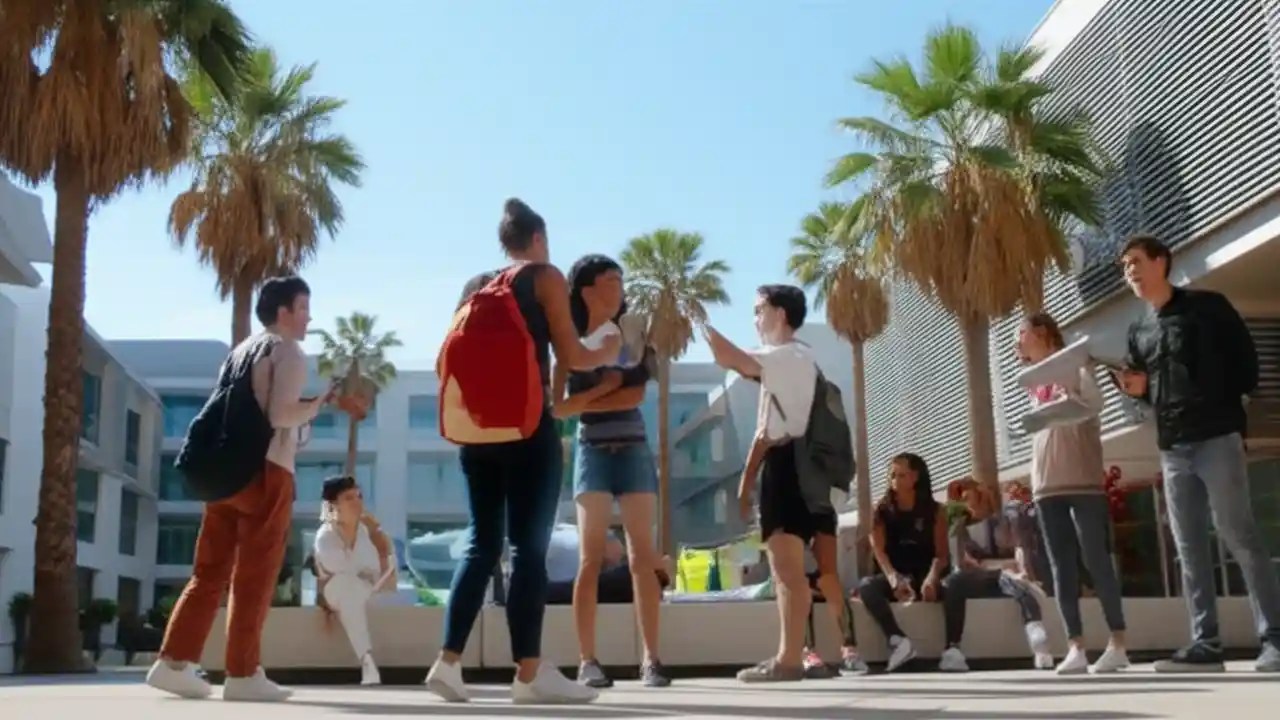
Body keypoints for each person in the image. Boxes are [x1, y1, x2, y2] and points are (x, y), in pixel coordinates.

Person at [425, 199, 620, 704]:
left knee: (481, 545)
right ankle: (530, 674)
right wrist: (605, 353)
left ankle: (447, 663)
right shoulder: (543, 276)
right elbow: (572, 354)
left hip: (475, 433)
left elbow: (444, 363)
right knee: (528, 552)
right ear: (538, 238)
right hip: (527, 429)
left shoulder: (475, 287)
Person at [147, 276, 330, 701]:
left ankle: (173, 661)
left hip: (225, 473)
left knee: (209, 572)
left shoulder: (242, 351)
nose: (308, 316)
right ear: (284, 311)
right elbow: (282, 416)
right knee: (255, 575)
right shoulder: (289, 352)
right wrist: (316, 406)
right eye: (304, 307)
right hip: (267, 472)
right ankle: (243, 674)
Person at [1116, 234, 1280, 673]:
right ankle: (1205, 645)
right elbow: (1145, 397)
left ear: (1161, 262)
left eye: (1134, 261)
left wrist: (1232, 406)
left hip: (1217, 438)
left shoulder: (1208, 308)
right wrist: (1139, 391)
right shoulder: (1139, 330)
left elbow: (1246, 364)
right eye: (1123, 265)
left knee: (1240, 537)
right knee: (1188, 548)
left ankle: (1275, 639)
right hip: (1172, 448)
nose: (1128, 270)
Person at [704, 284, 865, 682]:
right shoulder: (796, 361)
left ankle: (790, 659)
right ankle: (791, 654)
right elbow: (762, 432)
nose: (755, 319)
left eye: (759, 310)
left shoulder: (786, 356)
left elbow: (727, 357)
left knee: (787, 573)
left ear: (780, 314)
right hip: (798, 468)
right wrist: (746, 485)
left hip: (789, 467)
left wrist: (699, 320)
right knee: (791, 572)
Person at [551, 253, 671, 689]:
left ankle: (652, 659)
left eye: (621, 277)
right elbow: (558, 407)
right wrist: (604, 387)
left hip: (634, 449)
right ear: (586, 289)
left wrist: (591, 400)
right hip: (592, 453)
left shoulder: (635, 331)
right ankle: (588, 661)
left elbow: (633, 396)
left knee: (643, 556)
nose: (619, 284)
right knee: (590, 558)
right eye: (609, 278)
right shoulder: (567, 340)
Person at [1016, 312, 1129, 675]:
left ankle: (1118, 644)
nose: (1017, 343)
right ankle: (1075, 647)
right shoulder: (1033, 385)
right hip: (1046, 486)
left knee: (1096, 560)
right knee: (1060, 567)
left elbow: (1092, 406)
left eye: (1021, 334)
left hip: (1083, 482)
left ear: (1040, 332)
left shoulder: (1078, 368)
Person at [857, 453, 949, 673]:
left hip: (925, 574)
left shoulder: (935, 510)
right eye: (892, 475)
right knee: (867, 587)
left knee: (954, 586)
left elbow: (942, 554)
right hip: (897, 575)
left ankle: (953, 649)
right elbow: (878, 551)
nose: (895, 480)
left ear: (915, 477)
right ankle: (898, 640)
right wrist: (892, 578)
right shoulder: (882, 510)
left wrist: (932, 578)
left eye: (901, 475)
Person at [312, 476, 395, 686]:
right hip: (335, 591)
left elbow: (375, 571)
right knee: (346, 585)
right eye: (349, 498)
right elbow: (341, 570)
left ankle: (367, 662)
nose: (357, 502)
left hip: (363, 590)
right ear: (333, 506)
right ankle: (366, 659)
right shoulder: (325, 535)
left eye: (358, 496)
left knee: (353, 588)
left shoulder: (365, 532)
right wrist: (363, 573)